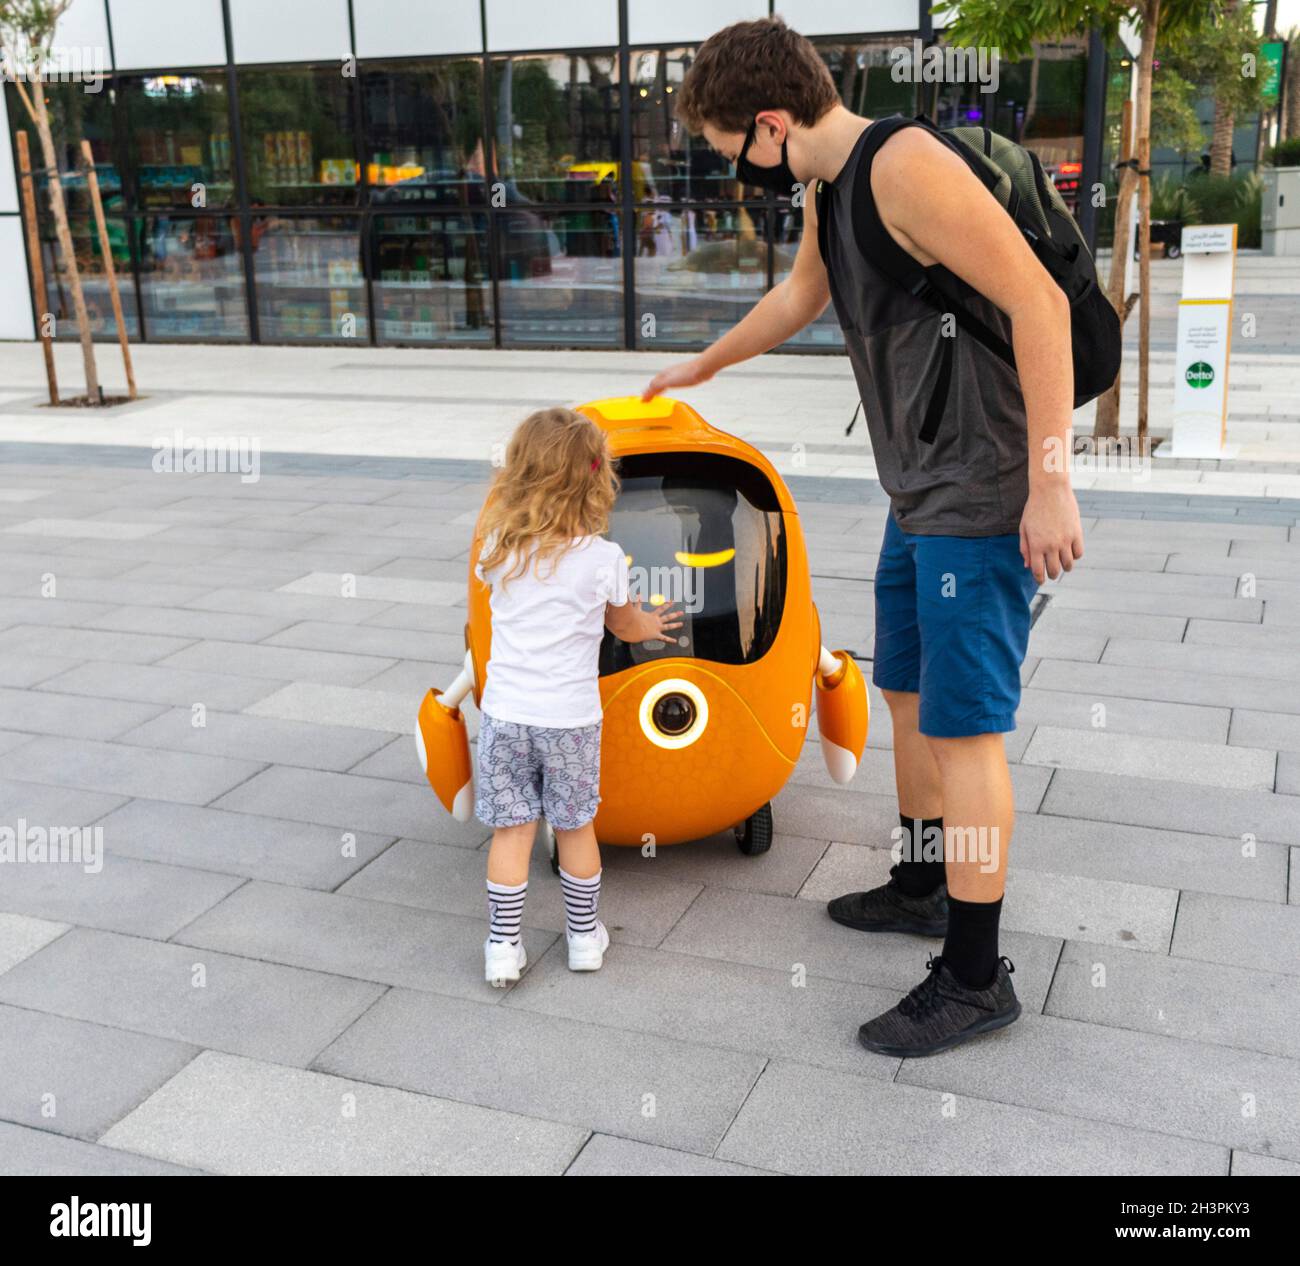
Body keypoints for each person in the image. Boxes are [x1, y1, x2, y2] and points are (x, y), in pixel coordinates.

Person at [643, 18, 1084, 1057]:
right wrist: (700, 367)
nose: (731, 171)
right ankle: (926, 881)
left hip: (980, 484)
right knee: (904, 688)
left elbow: (1037, 305)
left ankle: (975, 976)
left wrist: (1051, 486)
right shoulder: (826, 186)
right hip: (916, 486)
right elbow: (804, 296)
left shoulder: (909, 166)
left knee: (966, 724)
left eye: (726, 151)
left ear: (769, 121)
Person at [473, 407, 682, 987]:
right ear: (596, 481)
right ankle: (585, 939)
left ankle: (501, 947)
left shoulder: (497, 547)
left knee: (511, 832)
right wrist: (652, 624)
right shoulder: (603, 560)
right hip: (568, 722)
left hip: (506, 716)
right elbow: (624, 626)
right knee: (574, 828)